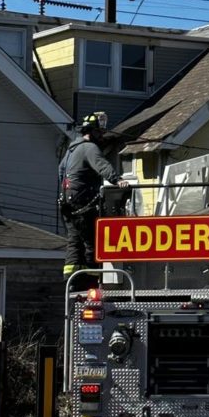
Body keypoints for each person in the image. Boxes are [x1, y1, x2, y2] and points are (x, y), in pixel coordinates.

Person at [58, 111, 128, 290]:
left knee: (74, 242)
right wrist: (117, 180)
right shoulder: (90, 148)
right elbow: (101, 165)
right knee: (92, 243)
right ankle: (91, 281)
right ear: (92, 132)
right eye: (99, 133)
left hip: (67, 204)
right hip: (83, 204)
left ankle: (72, 281)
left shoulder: (71, 149)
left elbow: (60, 172)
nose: (101, 136)